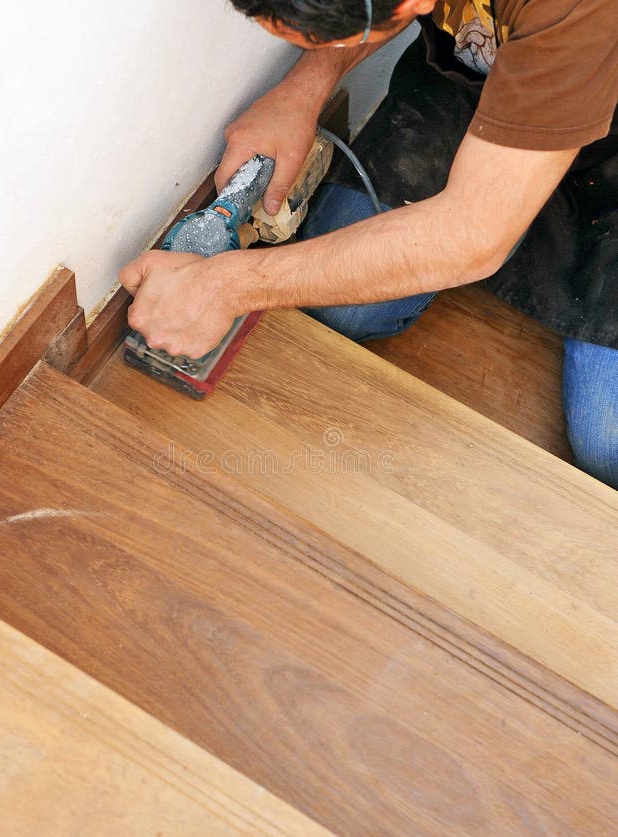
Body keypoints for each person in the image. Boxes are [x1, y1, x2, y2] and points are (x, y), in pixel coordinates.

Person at [119, 0, 618, 489]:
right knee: (346, 308)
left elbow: (472, 234)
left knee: (607, 442)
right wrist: (303, 89)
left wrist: (228, 286)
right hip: (486, 81)